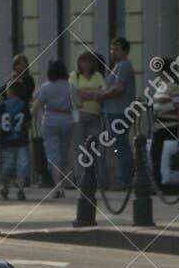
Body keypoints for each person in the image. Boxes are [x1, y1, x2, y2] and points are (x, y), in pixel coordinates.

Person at [32, 58, 76, 198]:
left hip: (50, 120)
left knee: (53, 154)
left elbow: (36, 105)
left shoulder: (46, 87)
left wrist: (29, 118)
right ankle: (63, 183)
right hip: (67, 120)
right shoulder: (70, 86)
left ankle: (58, 186)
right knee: (63, 153)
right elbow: (79, 103)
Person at [146, 56, 179, 193]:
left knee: (162, 157)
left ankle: (166, 185)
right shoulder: (160, 87)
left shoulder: (174, 87)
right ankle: (159, 184)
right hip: (159, 127)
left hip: (170, 127)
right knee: (155, 155)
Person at [103, 37, 136, 186]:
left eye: (116, 49)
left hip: (120, 111)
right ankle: (124, 177)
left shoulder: (124, 65)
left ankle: (126, 179)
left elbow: (119, 88)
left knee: (121, 146)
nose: (112, 52)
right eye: (111, 49)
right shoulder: (117, 66)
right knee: (119, 145)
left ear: (125, 51)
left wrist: (101, 94)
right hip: (114, 111)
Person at [70, 50, 106, 186]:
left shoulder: (97, 76)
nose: (86, 64)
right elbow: (74, 92)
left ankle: (98, 179)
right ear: (79, 63)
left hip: (95, 115)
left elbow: (103, 92)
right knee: (79, 148)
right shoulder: (75, 76)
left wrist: (85, 94)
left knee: (95, 147)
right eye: (83, 61)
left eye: (89, 61)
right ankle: (81, 180)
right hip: (79, 115)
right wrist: (93, 94)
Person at [0, 76, 31, 201]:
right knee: (22, 164)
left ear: (9, 92)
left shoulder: (3, 106)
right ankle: (20, 190)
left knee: (7, 165)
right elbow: (27, 123)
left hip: (6, 141)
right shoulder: (24, 105)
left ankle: (5, 188)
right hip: (22, 140)